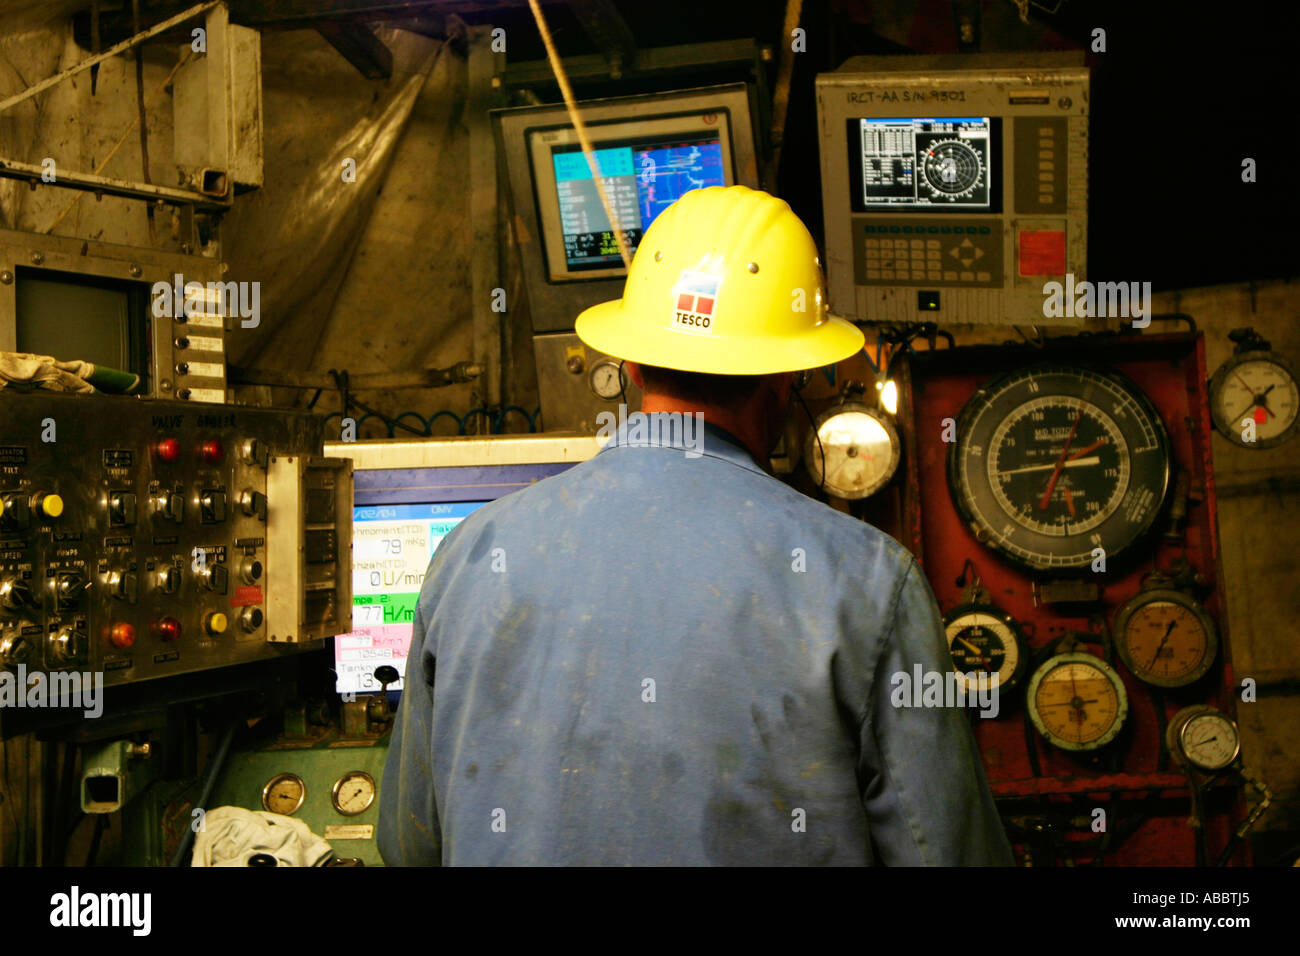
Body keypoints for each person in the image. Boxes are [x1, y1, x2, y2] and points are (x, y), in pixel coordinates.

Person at [377, 185, 1012, 865]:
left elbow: (408, 843)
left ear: (628, 363)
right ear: (788, 375)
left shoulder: (471, 554)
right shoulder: (866, 581)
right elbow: (945, 851)